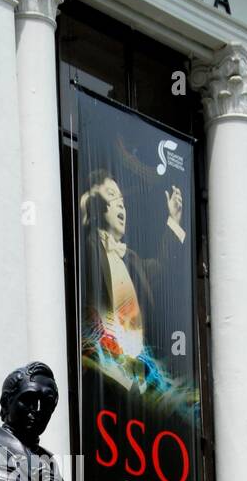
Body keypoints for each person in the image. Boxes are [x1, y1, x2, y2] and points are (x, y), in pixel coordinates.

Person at [80, 169, 189, 398]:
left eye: (123, 202)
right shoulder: (88, 247)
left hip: (136, 377)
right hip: (103, 371)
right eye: (112, 196)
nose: (121, 206)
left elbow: (162, 265)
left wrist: (174, 221)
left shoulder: (131, 260)